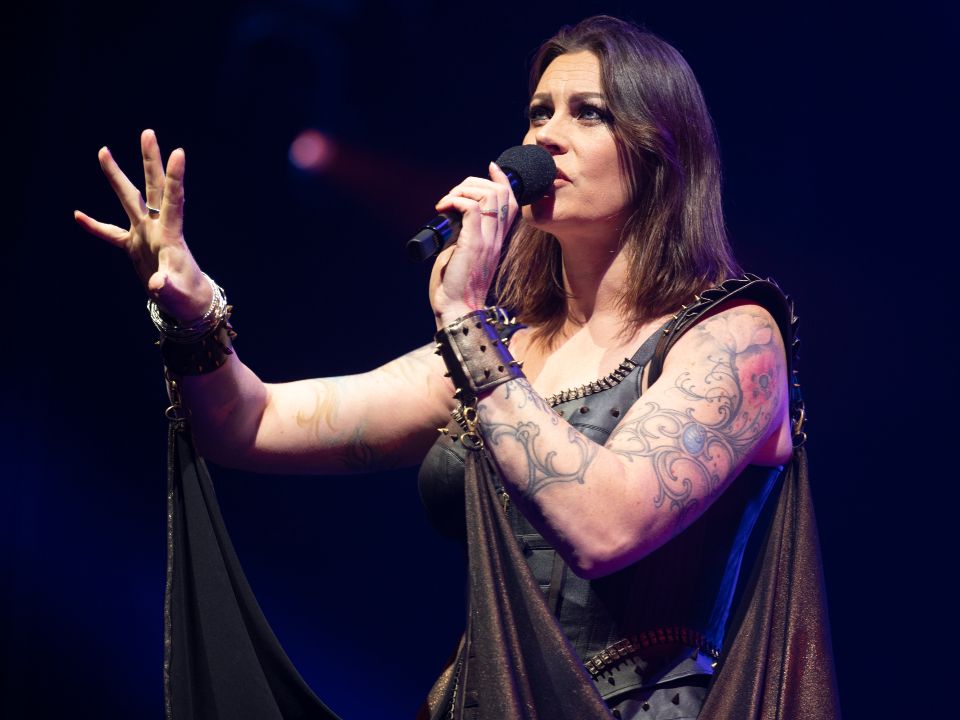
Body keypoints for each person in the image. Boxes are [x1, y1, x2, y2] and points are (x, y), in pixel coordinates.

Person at [75, 15, 836, 720]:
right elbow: (248, 423)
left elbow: (605, 527)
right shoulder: (505, 350)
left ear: (662, 152)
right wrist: (194, 311)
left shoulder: (733, 337)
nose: (547, 136)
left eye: (588, 113)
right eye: (538, 113)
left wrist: (465, 321)